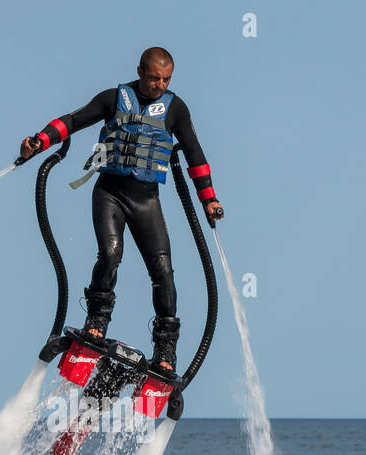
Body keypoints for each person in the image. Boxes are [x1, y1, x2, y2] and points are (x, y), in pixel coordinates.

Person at [18, 47, 223, 374]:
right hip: (110, 193)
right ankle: (96, 322)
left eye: (166, 79)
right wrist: (40, 141)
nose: (160, 84)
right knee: (111, 254)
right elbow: (72, 120)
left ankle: (165, 349)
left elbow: (196, 157)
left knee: (163, 272)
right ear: (140, 71)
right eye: (154, 77)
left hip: (147, 200)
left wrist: (209, 199)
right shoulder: (114, 97)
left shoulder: (176, 109)